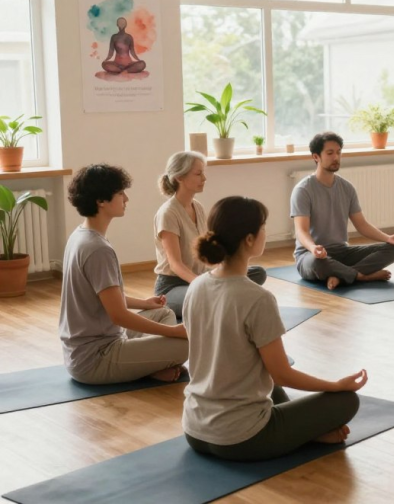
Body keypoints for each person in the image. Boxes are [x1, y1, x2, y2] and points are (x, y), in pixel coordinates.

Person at [183, 196, 365, 461]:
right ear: (249, 239)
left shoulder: (196, 286)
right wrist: (335, 385)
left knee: (268, 386)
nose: (265, 233)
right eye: (263, 226)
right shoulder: (257, 298)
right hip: (242, 438)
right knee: (347, 401)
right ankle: (304, 432)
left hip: (195, 430)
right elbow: (282, 374)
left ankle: (304, 431)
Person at [59, 164, 187, 384]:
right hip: (95, 358)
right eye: (120, 193)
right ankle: (148, 367)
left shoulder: (81, 236)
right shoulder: (98, 249)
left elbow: (102, 298)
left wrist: (146, 304)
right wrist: (175, 332)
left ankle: (147, 365)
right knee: (186, 343)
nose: (126, 199)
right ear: (101, 201)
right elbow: (117, 315)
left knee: (163, 313)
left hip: (90, 347)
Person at [153, 151, 267, 317]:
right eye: (198, 174)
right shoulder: (168, 213)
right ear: (180, 177)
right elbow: (175, 264)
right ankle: (225, 295)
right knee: (211, 295)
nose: (204, 178)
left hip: (201, 277)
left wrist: (221, 273)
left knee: (257, 273)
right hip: (172, 287)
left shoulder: (197, 207)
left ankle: (224, 294)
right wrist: (204, 284)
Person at [291, 132, 394, 289]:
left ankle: (341, 275)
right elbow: (301, 231)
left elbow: (361, 224)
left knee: (393, 250)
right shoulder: (303, 190)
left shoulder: (347, 188)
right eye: (330, 153)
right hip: (311, 255)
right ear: (316, 157)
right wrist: (313, 248)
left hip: (342, 253)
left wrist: (388, 238)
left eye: (338, 152)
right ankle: (362, 276)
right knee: (318, 263)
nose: (336, 157)